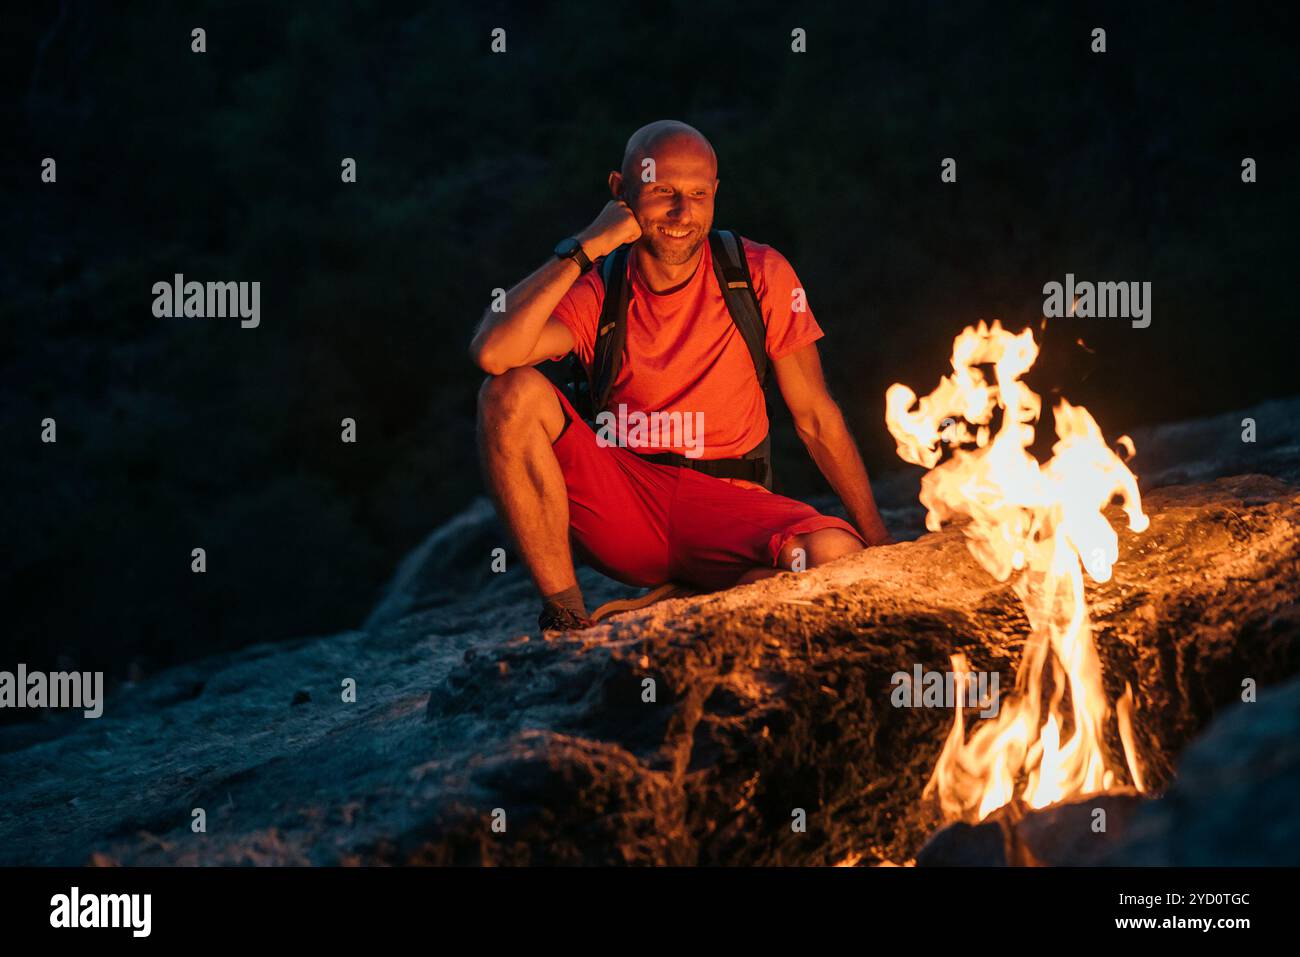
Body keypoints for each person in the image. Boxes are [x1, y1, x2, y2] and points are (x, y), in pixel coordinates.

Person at [470, 120, 891, 631]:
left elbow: (816, 417)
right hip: (626, 503)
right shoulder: (601, 288)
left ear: (715, 193)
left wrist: (879, 542)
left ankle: (721, 590)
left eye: (697, 193)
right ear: (620, 193)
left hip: (729, 504)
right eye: (661, 191)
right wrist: (587, 246)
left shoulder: (757, 273)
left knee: (833, 551)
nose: (681, 212)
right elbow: (493, 353)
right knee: (507, 392)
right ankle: (566, 617)